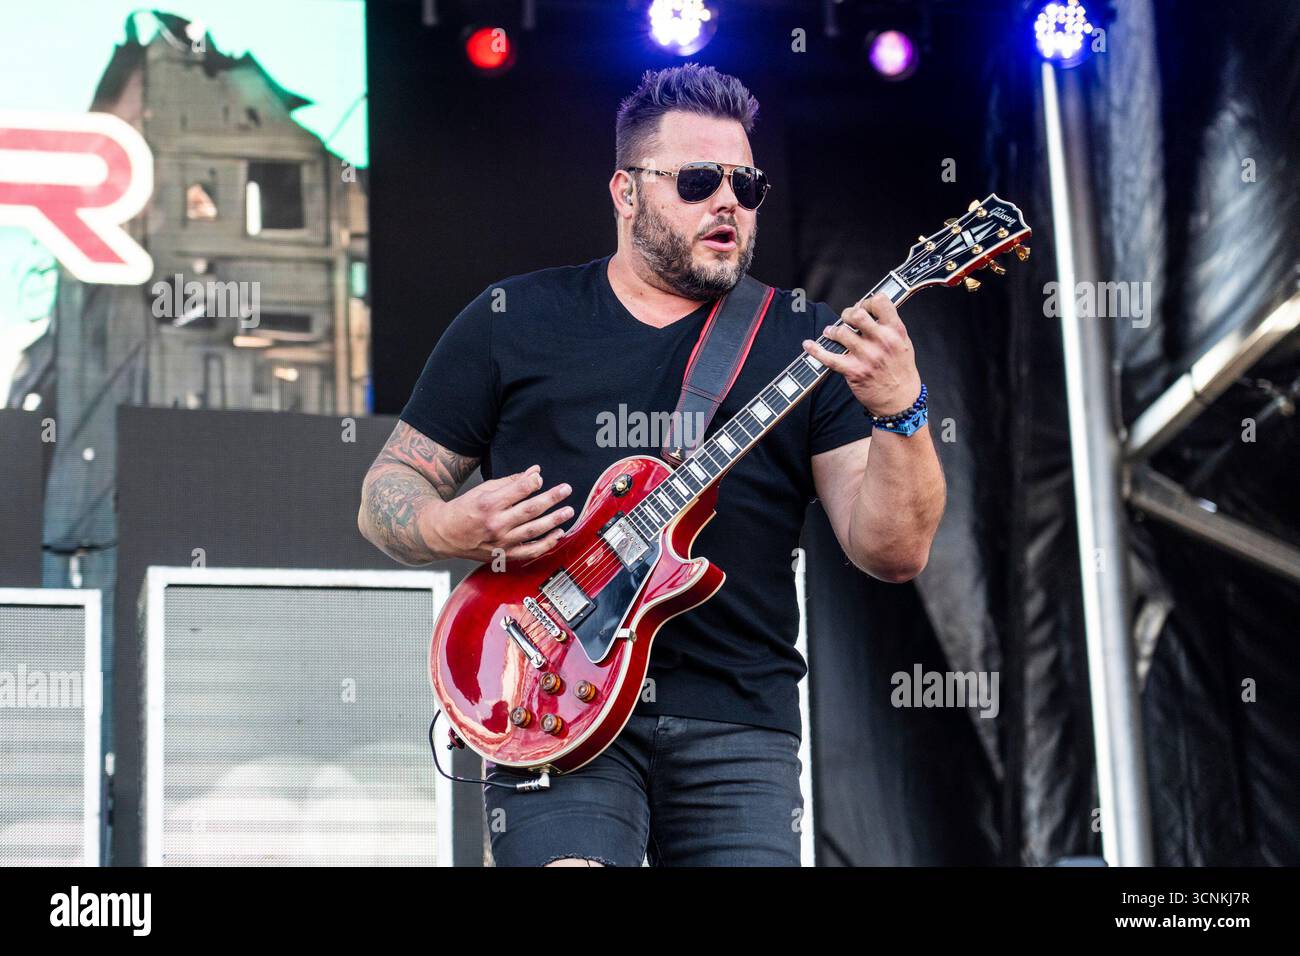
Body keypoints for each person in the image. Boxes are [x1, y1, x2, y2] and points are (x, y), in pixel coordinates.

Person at [357, 62, 945, 866]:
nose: (728, 202)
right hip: (551, 697)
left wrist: (902, 409)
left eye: (747, 184)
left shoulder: (806, 341)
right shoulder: (513, 319)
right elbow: (386, 490)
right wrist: (444, 522)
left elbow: (892, 550)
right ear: (625, 192)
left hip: (741, 722)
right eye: (699, 181)